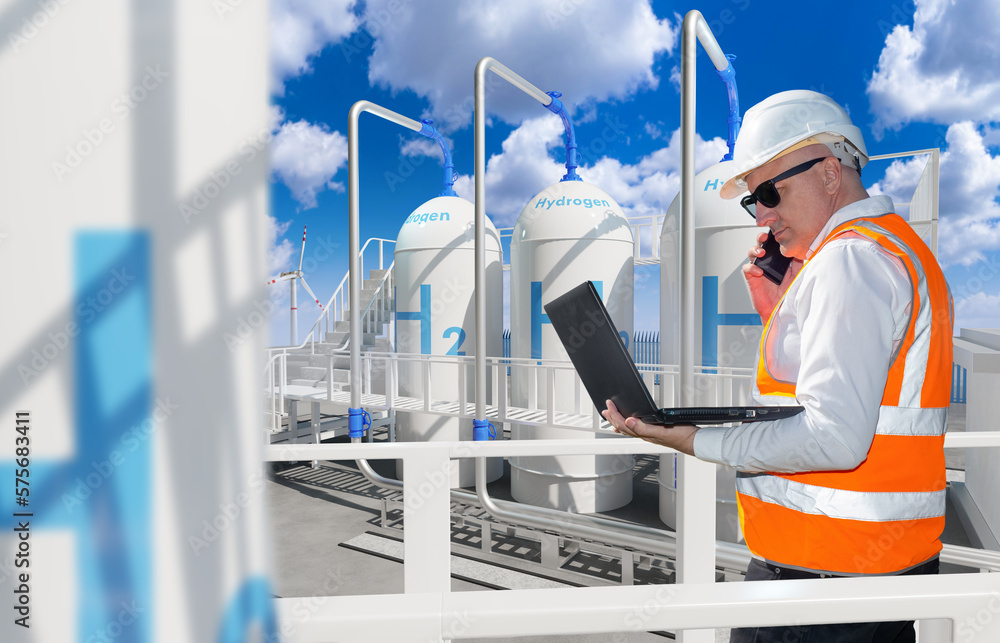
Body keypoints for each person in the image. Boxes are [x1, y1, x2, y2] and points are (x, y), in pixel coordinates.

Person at [602, 90, 953, 643]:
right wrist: (782, 311)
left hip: (827, 589)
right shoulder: (892, 249)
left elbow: (833, 437)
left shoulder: (851, 260)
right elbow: (837, 393)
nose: (762, 214)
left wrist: (694, 440)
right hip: (857, 579)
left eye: (771, 191)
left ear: (830, 174)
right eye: (752, 201)